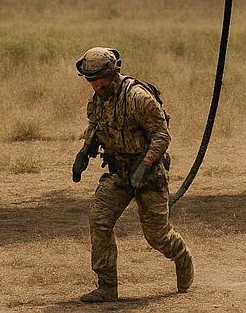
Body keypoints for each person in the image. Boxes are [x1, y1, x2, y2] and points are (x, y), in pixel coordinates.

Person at [71, 47, 193, 303]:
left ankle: (182, 256)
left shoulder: (138, 97)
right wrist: (84, 151)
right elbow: (96, 125)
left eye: (99, 78)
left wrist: (146, 164)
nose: (95, 84)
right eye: (90, 80)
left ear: (112, 72)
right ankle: (106, 286)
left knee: (157, 237)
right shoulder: (97, 99)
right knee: (99, 220)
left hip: (148, 175)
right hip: (118, 174)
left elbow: (162, 135)